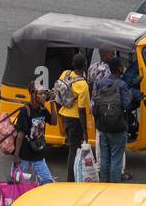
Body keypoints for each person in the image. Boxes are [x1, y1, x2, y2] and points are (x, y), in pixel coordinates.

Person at [89, 51, 133, 184]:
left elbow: (96, 101)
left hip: (103, 127)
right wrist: (130, 97)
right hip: (118, 127)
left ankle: (103, 184)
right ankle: (114, 187)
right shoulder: (122, 84)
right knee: (116, 159)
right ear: (119, 69)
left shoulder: (101, 83)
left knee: (104, 158)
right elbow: (127, 105)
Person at [54, 54, 93, 182]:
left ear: (72, 64)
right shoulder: (83, 85)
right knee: (74, 149)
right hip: (75, 119)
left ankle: (72, 177)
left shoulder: (66, 73)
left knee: (72, 147)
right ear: (85, 65)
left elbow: (58, 92)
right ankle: (71, 179)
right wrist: (85, 132)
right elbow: (82, 110)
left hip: (64, 114)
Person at [12, 80, 55, 186]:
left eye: (45, 93)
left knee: (47, 181)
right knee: (20, 184)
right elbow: (20, 135)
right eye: (40, 94)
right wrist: (16, 155)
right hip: (24, 155)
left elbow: (53, 122)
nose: (44, 96)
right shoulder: (25, 111)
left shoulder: (43, 110)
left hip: (38, 154)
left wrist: (53, 103)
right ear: (33, 95)